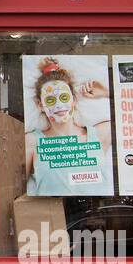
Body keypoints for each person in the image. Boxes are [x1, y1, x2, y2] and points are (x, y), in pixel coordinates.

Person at [24, 56, 114, 196]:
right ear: (40, 105)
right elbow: (15, 188)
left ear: (74, 100)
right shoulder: (32, 141)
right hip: (53, 213)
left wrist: (107, 94)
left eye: (64, 97)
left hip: (97, 212)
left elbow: (132, 120)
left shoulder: (99, 134)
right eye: (50, 100)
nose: (59, 105)